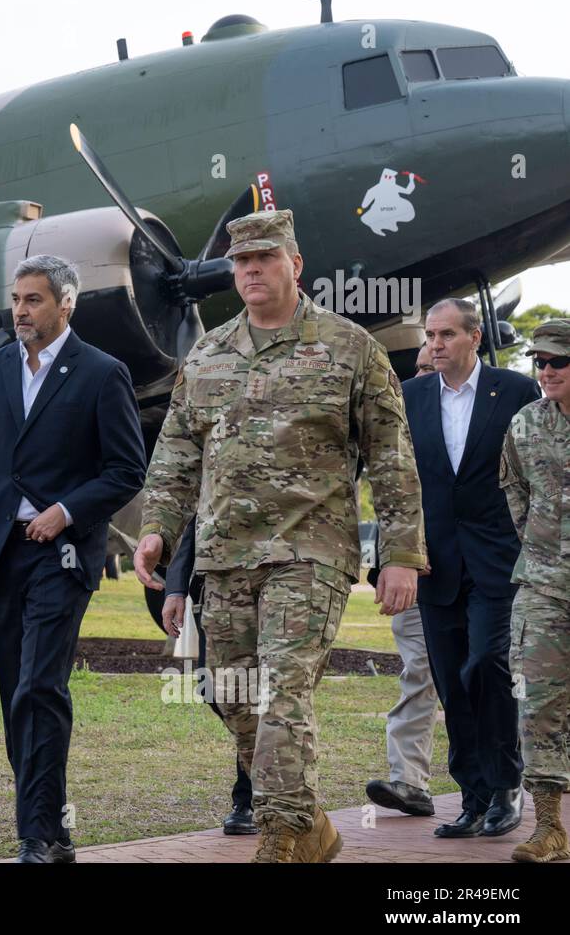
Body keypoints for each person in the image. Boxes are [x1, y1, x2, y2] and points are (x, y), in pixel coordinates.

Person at [133, 208, 427, 863]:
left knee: (282, 691)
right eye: (241, 262)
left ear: (295, 265)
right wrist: (157, 528)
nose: (252, 271)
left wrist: (400, 555)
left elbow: (391, 455)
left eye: (265, 259)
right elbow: (177, 449)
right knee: (232, 696)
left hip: (311, 553)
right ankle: (314, 825)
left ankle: (281, 837)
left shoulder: (351, 347)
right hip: (224, 555)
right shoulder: (208, 353)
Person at [0, 254, 147, 863]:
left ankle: (36, 834)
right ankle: (53, 826)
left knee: (41, 685)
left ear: (65, 304)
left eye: (34, 300)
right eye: (16, 299)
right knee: (16, 689)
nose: (20, 310)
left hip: (63, 556)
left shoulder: (102, 373)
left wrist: (66, 510)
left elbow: (126, 470)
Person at [402, 299, 542, 839]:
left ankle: (507, 785)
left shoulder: (514, 390)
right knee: (450, 683)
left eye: (445, 335)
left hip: (498, 559)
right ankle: (472, 796)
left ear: (474, 337)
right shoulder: (410, 394)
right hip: (433, 563)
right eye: (429, 335)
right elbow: (396, 476)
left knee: (486, 665)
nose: (434, 345)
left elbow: (537, 468)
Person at [500, 318, 570, 862]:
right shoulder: (526, 424)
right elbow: (514, 485)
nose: (545, 372)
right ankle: (549, 829)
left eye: (557, 363)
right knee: (536, 699)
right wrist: (540, 545)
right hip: (544, 583)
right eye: (539, 363)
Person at [366, 343, 440, 817]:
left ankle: (509, 774)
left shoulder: (490, 411)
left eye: (430, 368)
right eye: (416, 368)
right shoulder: (394, 410)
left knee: (489, 675)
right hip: (413, 572)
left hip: (479, 574)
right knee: (417, 673)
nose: (420, 377)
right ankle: (408, 781)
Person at [163, 517, 257, 834]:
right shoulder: (215, 469)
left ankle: (248, 801)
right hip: (214, 594)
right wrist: (175, 588)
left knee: (255, 695)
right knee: (212, 690)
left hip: (272, 591)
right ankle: (264, 776)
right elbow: (194, 525)